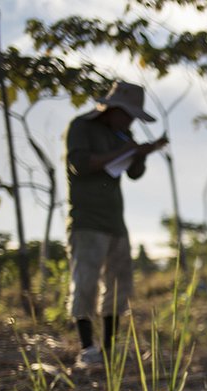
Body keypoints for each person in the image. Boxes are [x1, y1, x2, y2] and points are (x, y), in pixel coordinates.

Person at [64, 81, 167, 368]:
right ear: (113, 108)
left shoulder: (124, 133)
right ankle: (87, 348)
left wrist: (140, 153)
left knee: (119, 284)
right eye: (128, 114)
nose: (131, 120)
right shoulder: (82, 127)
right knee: (85, 283)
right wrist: (124, 151)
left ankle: (109, 350)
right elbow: (80, 165)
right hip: (87, 220)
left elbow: (134, 173)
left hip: (115, 222)